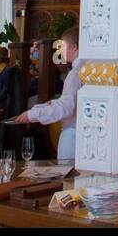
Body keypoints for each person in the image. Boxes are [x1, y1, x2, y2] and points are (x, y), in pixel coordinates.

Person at [12, 27, 79, 161]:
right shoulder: (87, 70)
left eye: (63, 46)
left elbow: (66, 107)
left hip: (73, 136)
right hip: (78, 134)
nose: (61, 51)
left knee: (70, 180)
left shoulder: (76, 74)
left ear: (75, 47)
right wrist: (41, 108)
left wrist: (32, 115)